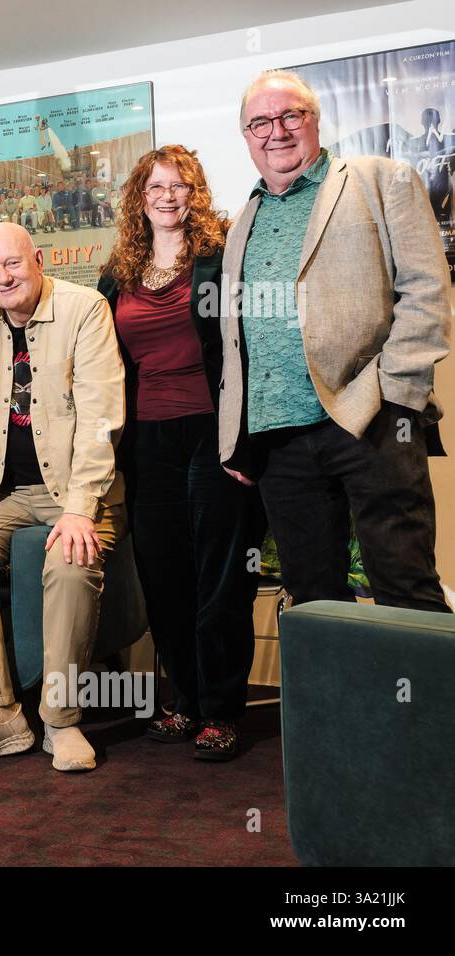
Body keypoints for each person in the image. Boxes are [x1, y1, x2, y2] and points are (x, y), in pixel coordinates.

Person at [221, 70, 452, 615]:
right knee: (313, 602)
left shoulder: (380, 179)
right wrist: (236, 430)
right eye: (260, 121)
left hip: (369, 418)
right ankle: (338, 705)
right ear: (246, 135)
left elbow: (426, 291)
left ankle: (421, 703)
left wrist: (394, 390)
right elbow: (236, 339)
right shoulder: (243, 221)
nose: (275, 131)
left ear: (314, 121)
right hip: (279, 439)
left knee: (404, 585)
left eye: (289, 116)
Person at [0, 222, 127, 773]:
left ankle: (61, 722)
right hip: (6, 493)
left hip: (73, 489)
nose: (3, 277)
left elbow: (101, 418)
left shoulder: (85, 309)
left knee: (71, 562)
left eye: (13, 264)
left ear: (39, 259)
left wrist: (79, 508)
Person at [97, 146, 265, 761]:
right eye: (155, 187)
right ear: (139, 199)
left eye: (180, 186)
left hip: (213, 431)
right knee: (164, 576)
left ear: (196, 193)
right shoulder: (117, 274)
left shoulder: (221, 259)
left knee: (219, 577)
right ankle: (184, 702)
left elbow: (249, 350)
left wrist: (245, 441)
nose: (167, 197)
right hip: (147, 442)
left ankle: (221, 709)